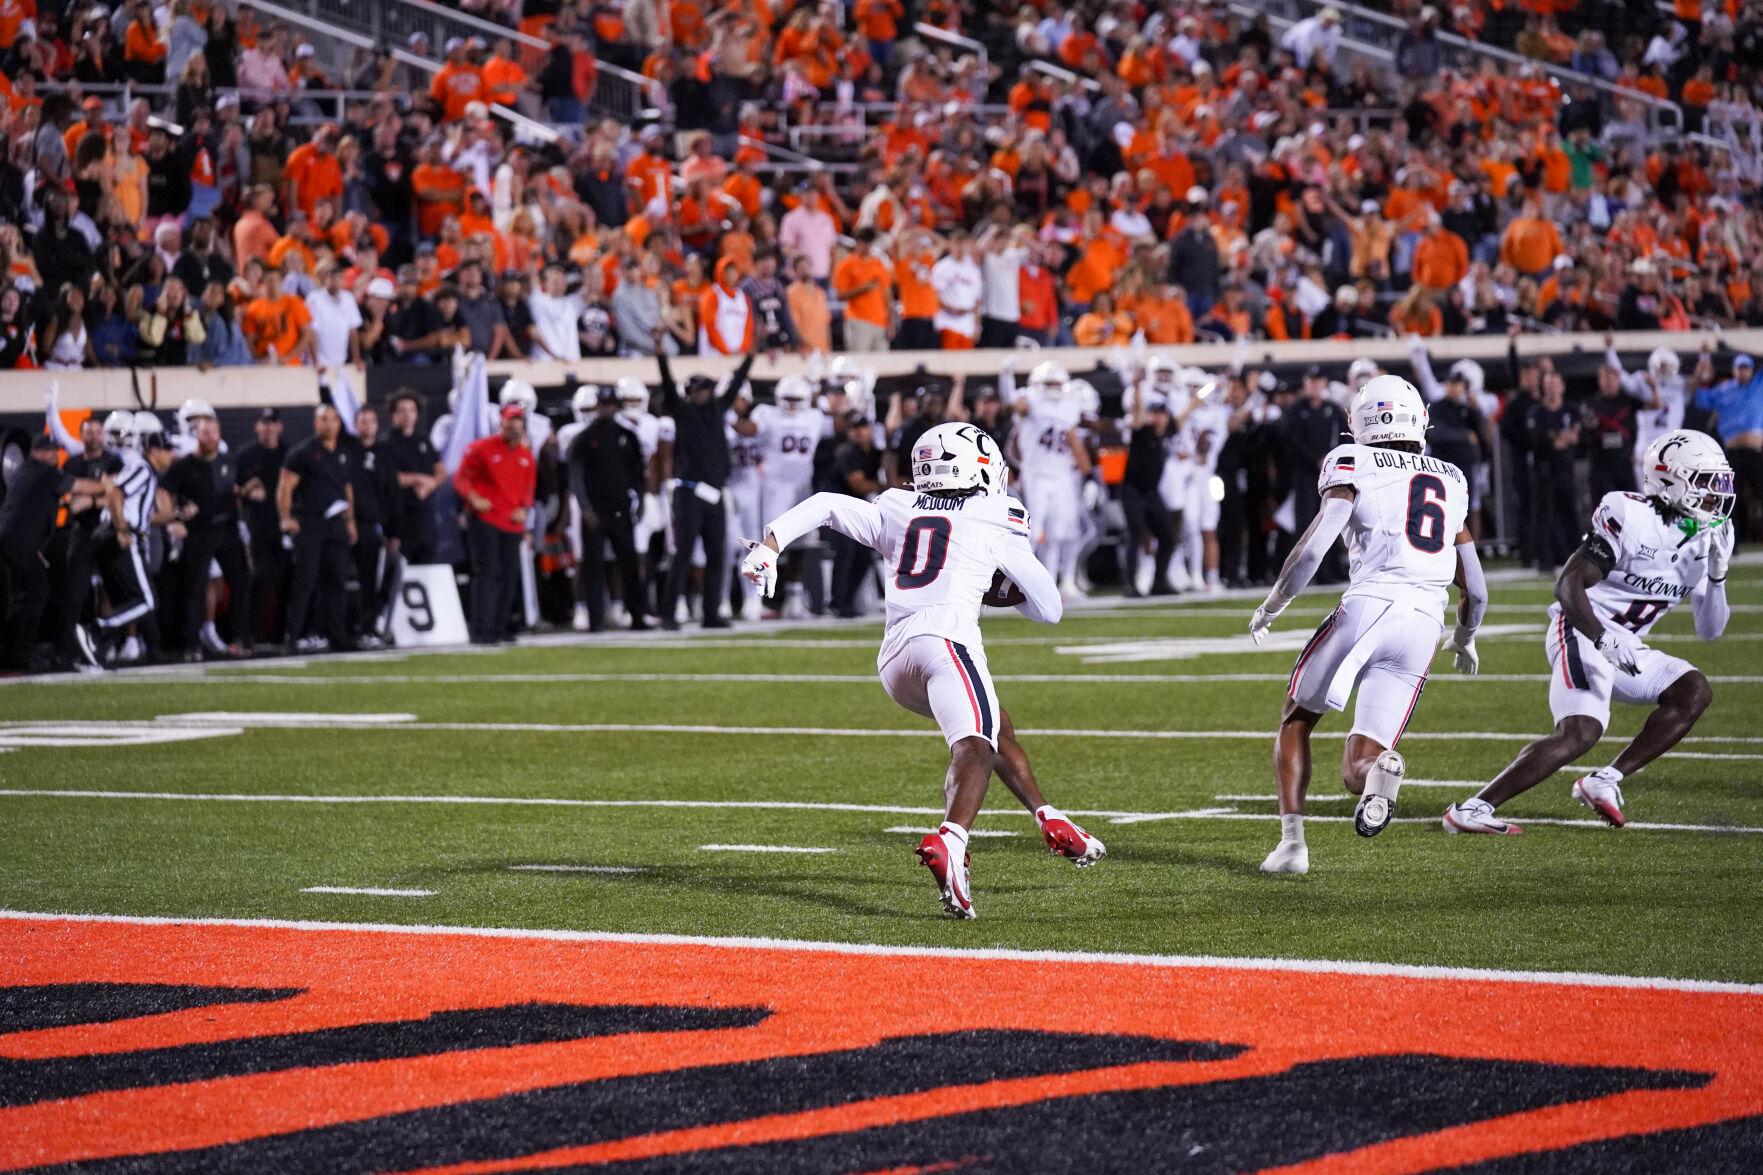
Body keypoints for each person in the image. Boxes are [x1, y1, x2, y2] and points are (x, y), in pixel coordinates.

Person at [740, 422, 1103, 919]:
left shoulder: (895, 504)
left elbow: (825, 501)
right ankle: (952, 840)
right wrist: (999, 586)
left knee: (994, 724)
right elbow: (1050, 608)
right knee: (976, 745)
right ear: (977, 464)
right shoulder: (999, 514)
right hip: (945, 641)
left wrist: (771, 545)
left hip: (895, 659)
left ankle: (1048, 815)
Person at [1249, 374, 1486, 874]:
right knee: (1361, 763)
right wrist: (1464, 638)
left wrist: (1272, 606)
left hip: (1371, 604)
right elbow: (1477, 588)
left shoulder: (1351, 460)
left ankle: (1292, 846)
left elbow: (1314, 547)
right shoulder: (1452, 478)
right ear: (1418, 418)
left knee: (1297, 719)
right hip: (1426, 621)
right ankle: (1381, 771)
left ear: (1357, 423)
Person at [1444, 430, 1733, 834]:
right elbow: (1567, 586)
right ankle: (1471, 810)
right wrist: (1602, 637)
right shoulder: (1631, 516)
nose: (1714, 494)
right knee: (1581, 731)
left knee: (1693, 690)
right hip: (1582, 627)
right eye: (1703, 481)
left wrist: (1717, 577)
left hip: (1628, 643)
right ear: (1669, 480)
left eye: (1717, 482)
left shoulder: (1712, 536)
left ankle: (1605, 780)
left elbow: (1710, 631)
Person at [654, 328, 756, 630]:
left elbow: (737, 380)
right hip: (688, 494)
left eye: (707, 389)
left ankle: (711, 612)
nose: (706, 393)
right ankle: (669, 612)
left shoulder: (717, 409)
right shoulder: (682, 412)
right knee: (682, 555)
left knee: (717, 555)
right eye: (700, 389)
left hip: (715, 493)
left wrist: (752, 352)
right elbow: (666, 384)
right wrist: (660, 350)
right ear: (690, 392)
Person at [1, 436, 114, 671]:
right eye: (52, 452)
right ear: (41, 453)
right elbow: (83, 486)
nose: (56, 457)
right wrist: (108, 484)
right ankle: (19, 655)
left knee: (22, 597)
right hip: (20, 543)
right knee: (35, 594)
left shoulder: (26, 471)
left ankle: (15, 652)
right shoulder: (46, 472)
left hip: (13, 542)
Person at [736, 374, 832, 617]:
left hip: (802, 489)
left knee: (800, 545)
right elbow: (749, 429)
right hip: (771, 489)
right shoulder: (767, 414)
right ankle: (754, 599)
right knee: (766, 544)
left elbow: (840, 426)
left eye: (795, 398)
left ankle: (794, 599)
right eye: (787, 398)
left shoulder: (814, 417)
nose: (790, 403)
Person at [162, 405, 250, 658]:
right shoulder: (183, 464)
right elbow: (164, 491)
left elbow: (245, 485)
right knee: (194, 588)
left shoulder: (228, 462)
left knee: (241, 582)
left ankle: (239, 638)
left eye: (214, 432)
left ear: (220, 434)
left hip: (228, 529)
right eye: (205, 432)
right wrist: (172, 519)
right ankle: (191, 644)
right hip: (199, 531)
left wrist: (250, 491)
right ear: (196, 435)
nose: (210, 437)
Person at [566, 386, 649, 633]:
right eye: (603, 405)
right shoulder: (584, 438)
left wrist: (641, 501)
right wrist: (586, 508)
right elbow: (576, 476)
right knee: (593, 566)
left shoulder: (627, 436)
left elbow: (638, 474)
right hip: (595, 512)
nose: (607, 409)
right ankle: (595, 619)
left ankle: (637, 615)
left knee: (629, 564)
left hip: (621, 510)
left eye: (611, 405)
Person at [278, 403, 358, 653]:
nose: (329, 423)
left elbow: (346, 488)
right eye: (324, 419)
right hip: (309, 523)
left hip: (336, 525)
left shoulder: (342, 453)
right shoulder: (302, 452)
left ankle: (337, 635)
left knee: (336, 581)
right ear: (315, 423)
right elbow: (285, 485)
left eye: (333, 419)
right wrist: (285, 517)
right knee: (305, 581)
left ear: (339, 424)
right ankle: (292, 637)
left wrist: (351, 521)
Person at [455, 402, 536, 644]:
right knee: (487, 573)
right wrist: (474, 498)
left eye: (518, 420)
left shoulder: (525, 456)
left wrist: (525, 508)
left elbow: (529, 487)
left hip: (512, 522)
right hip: (485, 520)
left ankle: (499, 626)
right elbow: (461, 479)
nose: (513, 425)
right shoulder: (481, 448)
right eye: (510, 420)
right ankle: (481, 629)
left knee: (510, 575)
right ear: (501, 422)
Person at [1011, 361, 1093, 596]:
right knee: (1033, 533)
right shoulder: (1029, 400)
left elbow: (1073, 440)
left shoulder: (1068, 406)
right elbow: (1015, 407)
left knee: (1059, 533)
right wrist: (1006, 378)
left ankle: (1050, 585)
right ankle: (1021, 584)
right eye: (1050, 383)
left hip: (1062, 474)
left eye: (1058, 383)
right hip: (1037, 474)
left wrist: (1088, 476)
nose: (1055, 387)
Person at [344, 404, 401, 646]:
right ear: (355, 425)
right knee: (336, 578)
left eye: (371, 421)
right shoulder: (346, 449)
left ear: (378, 425)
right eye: (362, 421)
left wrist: (394, 532)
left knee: (373, 579)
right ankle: (340, 629)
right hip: (343, 525)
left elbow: (392, 493)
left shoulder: (385, 454)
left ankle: (369, 625)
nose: (367, 425)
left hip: (372, 527)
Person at [234, 408, 288, 644]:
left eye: (272, 424)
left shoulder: (289, 453)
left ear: (280, 427)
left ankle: (281, 634)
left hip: (284, 527)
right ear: (257, 427)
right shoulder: (246, 455)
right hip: (257, 526)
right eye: (264, 424)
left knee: (288, 579)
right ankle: (250, 634)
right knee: (259, 578)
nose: (268, 428)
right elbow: (232, 486)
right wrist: (247, 490)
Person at [1121, 380, 1177, 597]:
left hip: (1152, 493)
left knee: (1168, 537)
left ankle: (1159, 583)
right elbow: (1136, 419)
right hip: (1133, 491)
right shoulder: (1142, 431)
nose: (1158, 417)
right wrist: (1136, 389)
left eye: (1162, 413)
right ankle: (1130, 584)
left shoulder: (1168, 434)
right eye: (1154, 412)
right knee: (1135, 534)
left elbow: (1184, 414)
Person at [382, 391, 445, 565]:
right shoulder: (386, 444)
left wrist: (430, 485)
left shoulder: (424, 441)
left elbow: (440, 471)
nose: (407, 415)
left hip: (426, 520)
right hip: (401, 519)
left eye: (411, 410)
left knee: (428, 565)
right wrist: (419, 479)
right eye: (402, 410)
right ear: (393, 414)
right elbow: (389, 478)